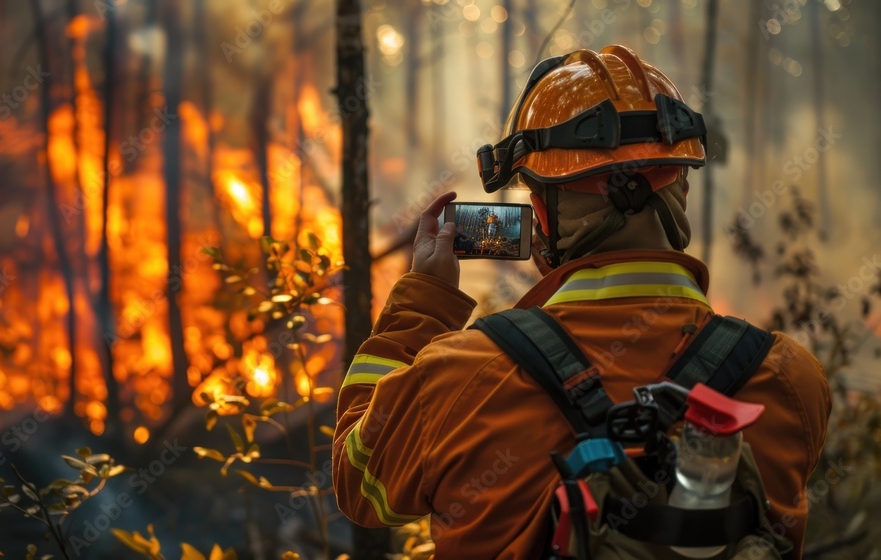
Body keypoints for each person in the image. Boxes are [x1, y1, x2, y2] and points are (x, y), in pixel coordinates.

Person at [332, 45, 830, 558]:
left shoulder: (457, 378)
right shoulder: (791, 381)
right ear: (681, 187)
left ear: (544, 217)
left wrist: (424, 306)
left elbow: (358, 481)